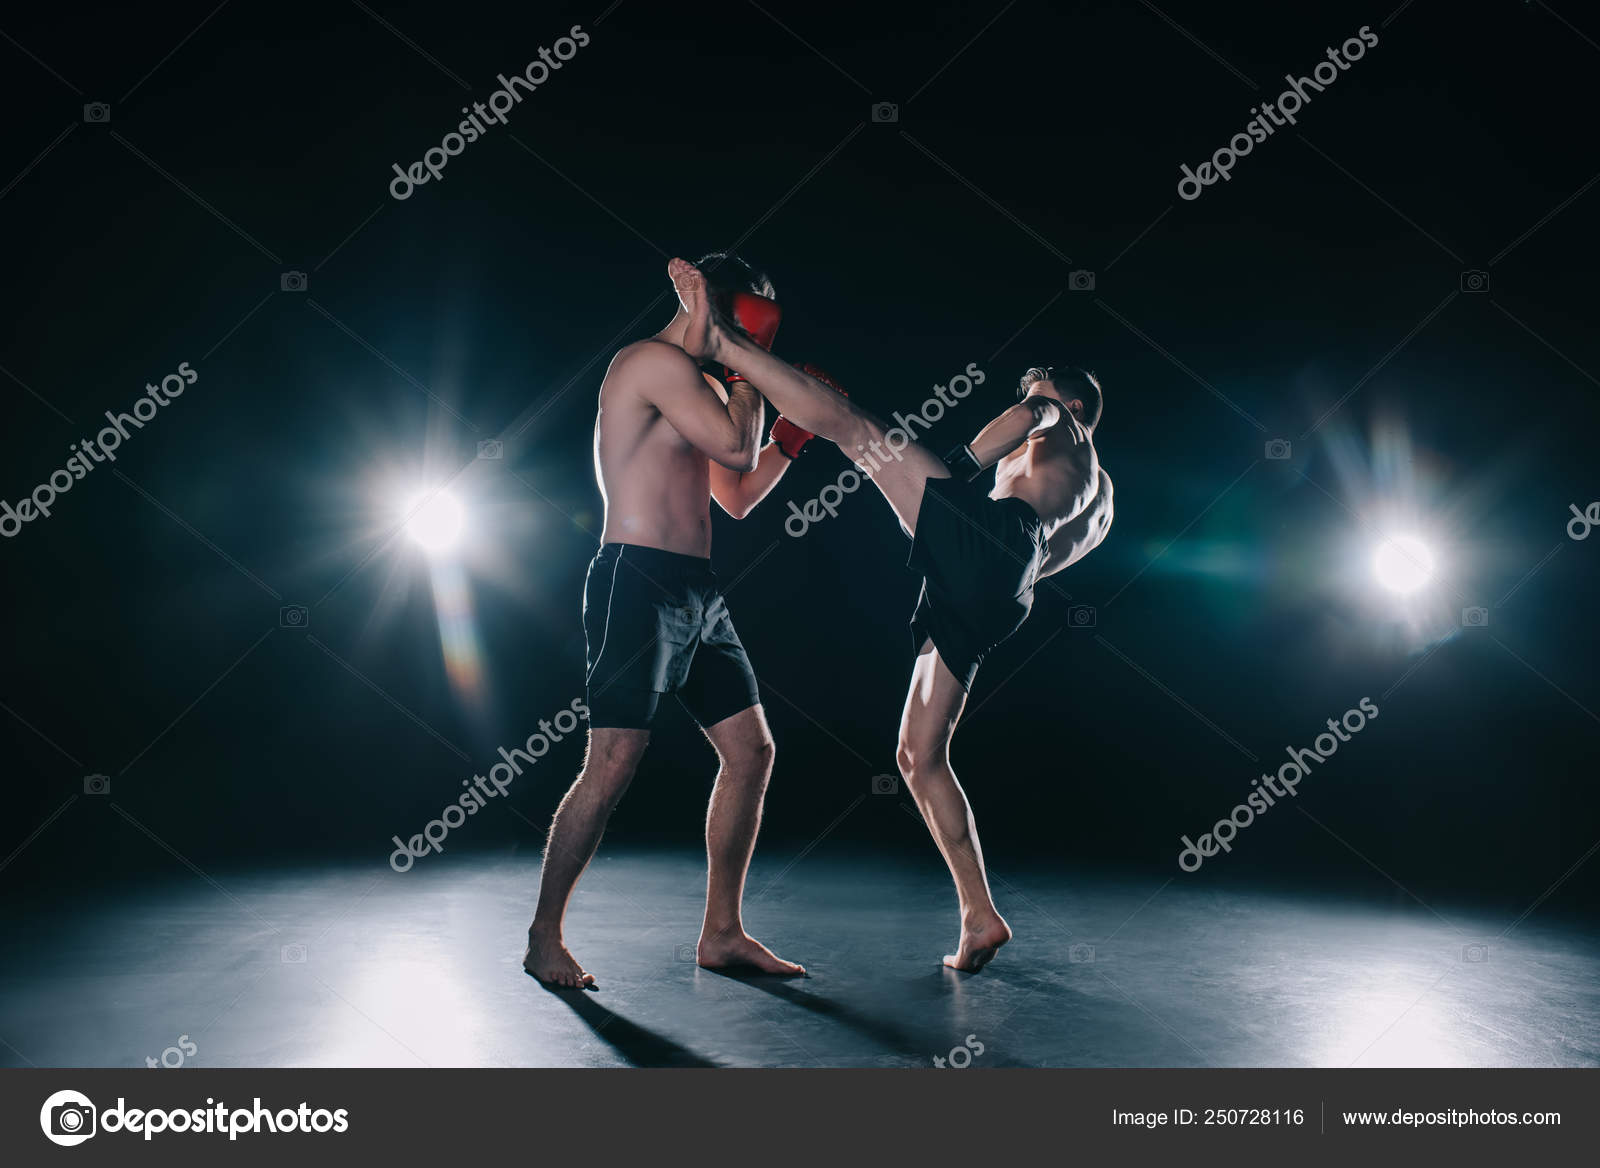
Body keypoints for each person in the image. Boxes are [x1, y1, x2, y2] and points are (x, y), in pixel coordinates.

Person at [667, 257, 1114, 971]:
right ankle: (979, 916)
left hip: (989, 547)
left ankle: (727, 346)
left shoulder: (1057, 416)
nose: (1031, 392)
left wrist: (963, 465)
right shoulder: (1102, 497)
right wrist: (965, 550)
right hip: (1004, 592)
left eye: (1040, 383)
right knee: (916, 754)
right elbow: (1048, 561)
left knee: (853, 427)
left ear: (1075, 401)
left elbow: (1029, 414)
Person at [524, 253, 825, 988]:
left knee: (752, 753)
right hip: (635, 579)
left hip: (697, 589)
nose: (761, 336)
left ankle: (721, 933)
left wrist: (790, 440)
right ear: (723, 308)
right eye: (755, 318)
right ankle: (543, 938)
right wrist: (753, 378)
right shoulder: (651, 363)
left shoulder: (703, 388)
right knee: (613, 764)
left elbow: (739, 494)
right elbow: (732, 443)